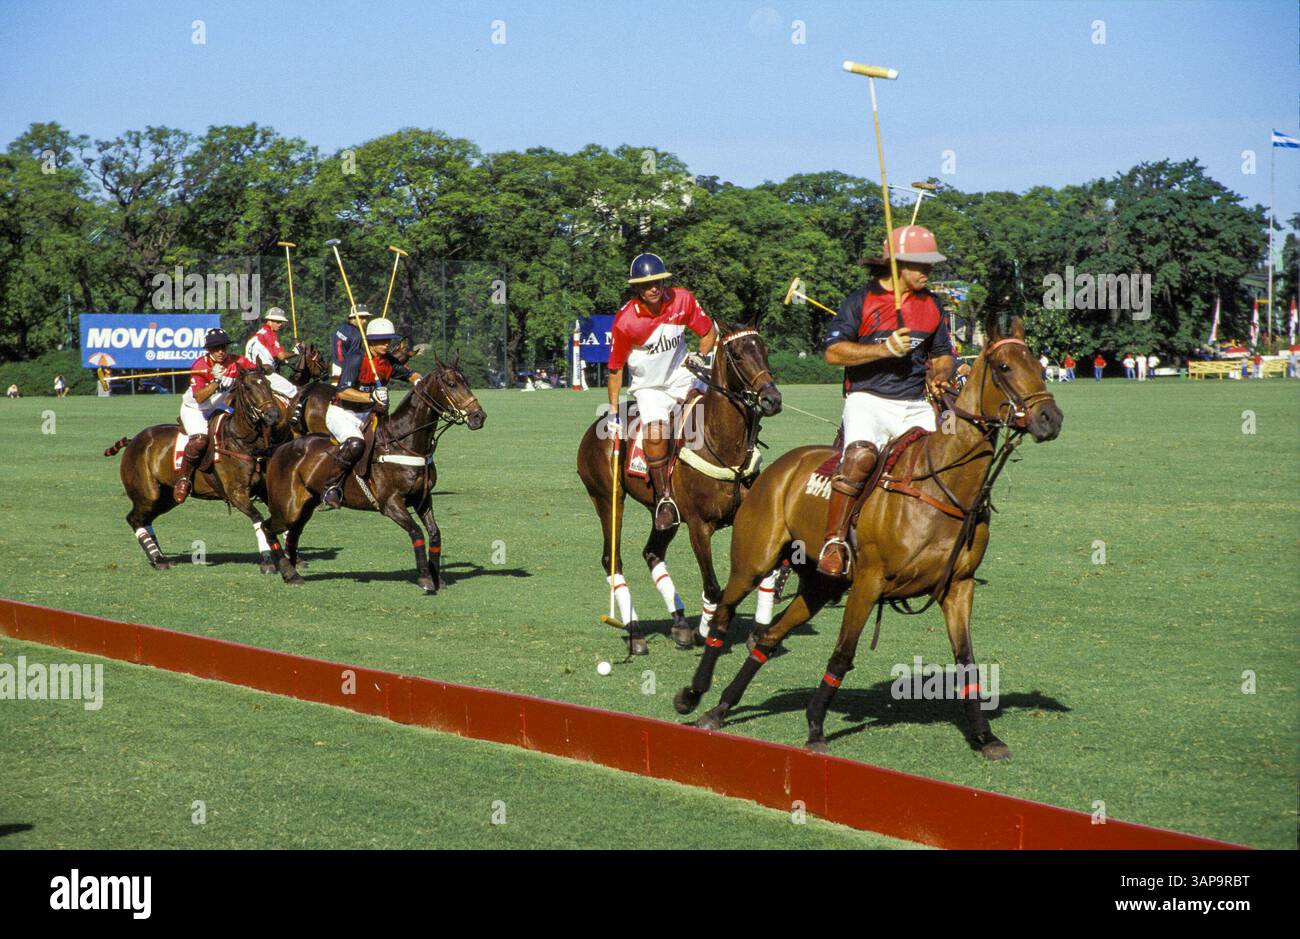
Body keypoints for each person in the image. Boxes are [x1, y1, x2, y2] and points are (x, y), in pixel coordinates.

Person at [816, 224, 955, 578]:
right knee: (860, 458)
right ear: (896, 265)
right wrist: (883, 349)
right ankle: (833, 542)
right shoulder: (859, 300)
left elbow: (942, 354)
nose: (928, 272)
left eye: (930, 265)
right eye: (920, 265)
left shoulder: (932, 306)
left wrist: (940, 374)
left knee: (944, 461)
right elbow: (833, 352)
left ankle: (936, 539)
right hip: (867, 400)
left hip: (913, 403)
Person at [607, 252, 717, 530]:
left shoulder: (682, 299)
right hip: (650, 387)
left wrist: (701, 356)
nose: (653, 288)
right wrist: (612, 411)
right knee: (656, 432)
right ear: (637, 288)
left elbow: (708, 332)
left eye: (657, 282)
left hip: (683, 375)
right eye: (646, 285)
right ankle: (665, 499)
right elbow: (615, 369)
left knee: (721, 406)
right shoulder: (626, 321)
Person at [321, 317, 422, 509]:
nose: (386, 344)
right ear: (370, 341)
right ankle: (330, 487)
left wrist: (418, 381)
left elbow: (410, 373)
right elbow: (342, 391)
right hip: (343, 413)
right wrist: (371, 397)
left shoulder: (387, 361)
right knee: (356, 443)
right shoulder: (356, 358)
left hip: (368, 416)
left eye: (388, 340)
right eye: (382, 341)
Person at [175, 328, 259, 503]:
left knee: (245, 426)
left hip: (218, 406)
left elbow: (254, 370)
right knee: (199, 440)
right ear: (209, 350)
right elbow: (199, 398)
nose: (220, 351)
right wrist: (216, 381)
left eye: (223, 347)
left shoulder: (235, 361)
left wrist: (266, 366)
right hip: (195, 409)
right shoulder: (200, 365)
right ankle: (184, 479)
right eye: (215, 348)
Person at [244, 307, 301, 398]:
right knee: (296, 393)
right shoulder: (269, 334)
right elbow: (281, 356)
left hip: (248, 375)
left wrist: (277, 361)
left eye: (281, 322)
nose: (280, 324)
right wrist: (295, 352)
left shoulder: (256, 335)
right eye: (277, 322)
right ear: (269, 321)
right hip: (263, 375)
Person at [331, 305, 372, 380]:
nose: (365, 321)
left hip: (336, 364)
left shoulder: (341, 327)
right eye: (362, 318)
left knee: (334, 389)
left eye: (366, 318)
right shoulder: (356, 335)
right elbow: (354, 357)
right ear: (353, 318)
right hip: (346, 369)